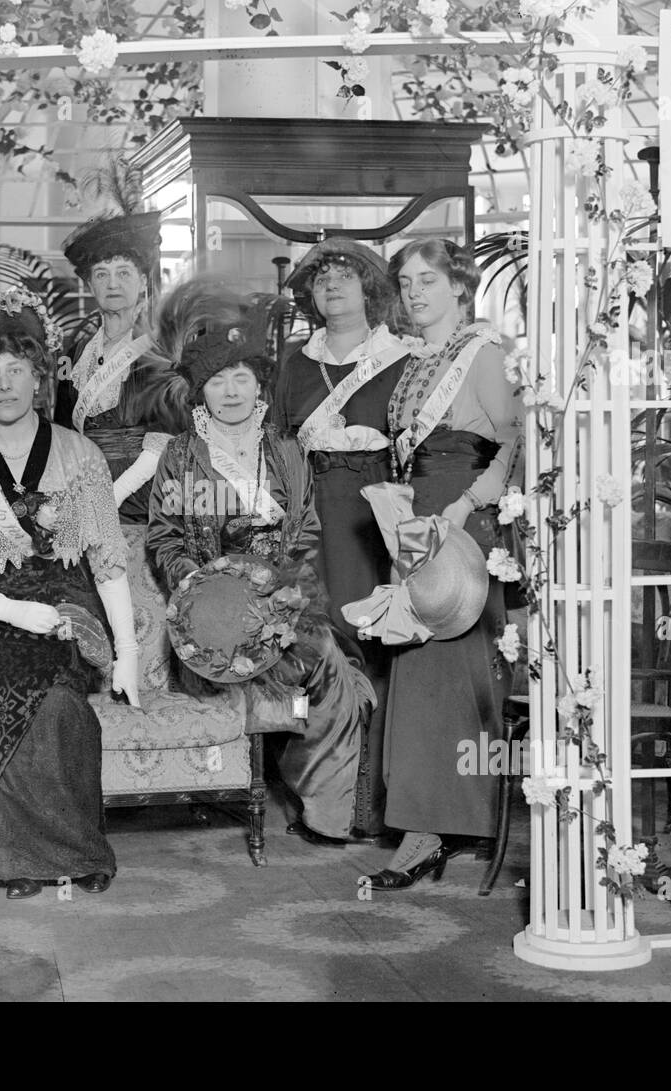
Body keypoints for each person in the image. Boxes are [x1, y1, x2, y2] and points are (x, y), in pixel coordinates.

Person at [0, 289, 140, 898]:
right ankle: (14, 858)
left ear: (41, 379)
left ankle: (74, 848)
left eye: (17, 371)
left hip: (67, 610)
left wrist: (128, 653)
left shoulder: (80, 452)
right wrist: (14, 611)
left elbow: (108, 562)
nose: (4, 385)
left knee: (61, 708)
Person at [146, 307, 373, 845]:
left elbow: (307, 528)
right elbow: (165, 538)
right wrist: (210, 588)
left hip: (280, 597)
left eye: (241, 379)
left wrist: (281, 586)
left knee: (331, 665)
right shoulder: (180, 456)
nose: (231, 392)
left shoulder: (287, 450)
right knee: (269, 663)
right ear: (201, 393)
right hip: (211, 607)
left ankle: (325, 814)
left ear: (257, 385)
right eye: (218, 382)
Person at [364, 238, 521, 890]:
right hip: (418, 528)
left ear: (460, 285)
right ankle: (427, 824)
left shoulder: (481, 355)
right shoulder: (420, 360)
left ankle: (452, 824)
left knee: (455, 680)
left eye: (427, 280)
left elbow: (518, 437)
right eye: (405, 282)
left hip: (462, 532)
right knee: (419, 673)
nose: (415, 292)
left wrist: (467, 502)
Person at [276, 237, 409, 841]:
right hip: (307, 513)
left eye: (345, 278)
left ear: (370, 290)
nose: (331, 288)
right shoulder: (294, 362)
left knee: (371, 642)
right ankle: (320, 801)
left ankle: (375, 807)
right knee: (313, 648)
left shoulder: (402, 359)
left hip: (372, 516)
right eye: (321, 280)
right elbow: (277, 444)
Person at [58, 209, 186, 521]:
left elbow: (165, 440)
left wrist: (112, 496)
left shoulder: (161, 353)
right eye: (101, 274)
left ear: (143, 280)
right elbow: (62, 434)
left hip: (144, 496)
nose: (112, 284)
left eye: (123, 272)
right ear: (90, 286)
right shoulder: (72, 354)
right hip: (85, 492)